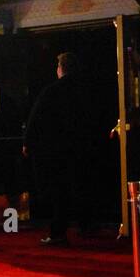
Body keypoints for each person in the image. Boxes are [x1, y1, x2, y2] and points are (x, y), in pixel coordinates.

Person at [23, 51, 89, 245]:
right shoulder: (83, 91)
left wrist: (28, 142)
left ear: (61, 69)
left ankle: (58, 232)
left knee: (58, 192)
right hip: (79, 147)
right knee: (79, 187)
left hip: (56, 150)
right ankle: (86, 225)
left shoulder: (52, 91)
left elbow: (36, 117)